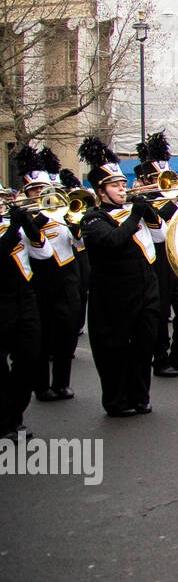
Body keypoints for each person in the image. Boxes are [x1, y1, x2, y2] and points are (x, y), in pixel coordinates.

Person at [77, 138, 165, 418]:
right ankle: (116, 400)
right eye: (115, 186)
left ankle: (140, 396)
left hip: (145, 286)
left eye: (123, 184)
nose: (122, 189)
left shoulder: (131, 213)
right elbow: (113, 241)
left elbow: (161, 237)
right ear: (100, 191)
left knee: (144, 344)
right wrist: (135, 215)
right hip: (112, 294)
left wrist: (149, 215)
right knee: (114, 349)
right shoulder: (92, 219)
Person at [17, 147, 80, 402]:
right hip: (39, 280)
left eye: (45, 190)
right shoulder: (21, 216)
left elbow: (79, 246)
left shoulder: (63, 213)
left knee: (66, 331)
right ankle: (41, 385)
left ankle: (62, 383)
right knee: (41, 336)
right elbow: (27, 244)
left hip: (66, 277)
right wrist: (38, 218)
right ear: (27, 193)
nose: (41, 194)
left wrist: (76, 226)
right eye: (35, 191)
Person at [134, 134, 178, 379]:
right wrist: (175, 202)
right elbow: (156, 227)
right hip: (156, 262)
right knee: (159, 313)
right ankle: (160, 359)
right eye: (158, 178)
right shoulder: (141, 202)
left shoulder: (177, 198)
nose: (165, 182)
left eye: (167, 177)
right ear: (146, 179)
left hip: (177, 259)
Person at [1, 196, 51, 439]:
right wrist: (13, 228)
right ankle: (5, 421)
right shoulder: (10, 227)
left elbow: (45, 254)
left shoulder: (11, 224)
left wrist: (29, 226)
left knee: (30, 357)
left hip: (24, 296)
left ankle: (13, 414)